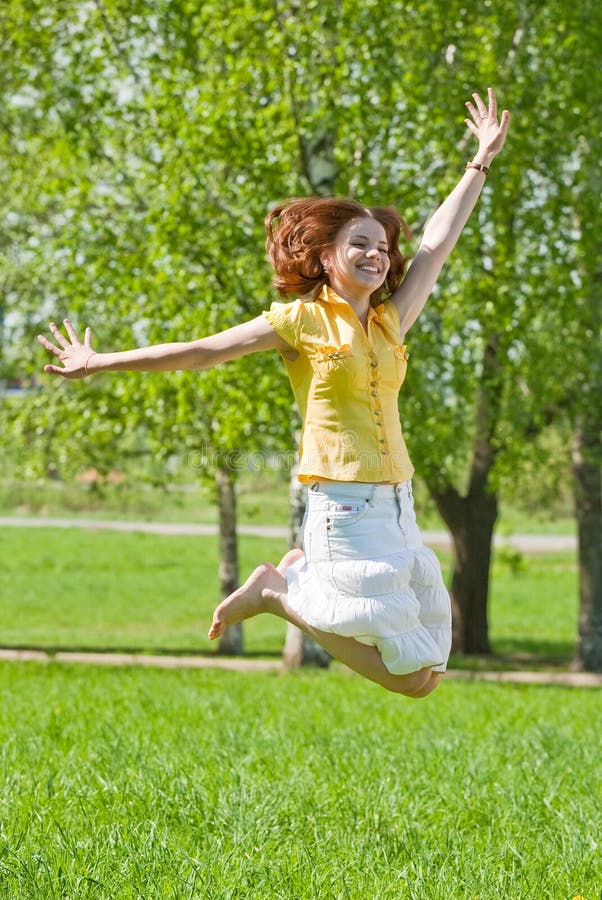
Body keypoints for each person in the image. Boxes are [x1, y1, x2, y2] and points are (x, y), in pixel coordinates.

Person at [39, 88, 510, 698]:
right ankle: (277, 594)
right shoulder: (298, 320)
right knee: (412, 681)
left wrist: (480, 160)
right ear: (325, 257)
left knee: (429, 671)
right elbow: (203, 351)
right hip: (344, 508)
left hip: (398, 504)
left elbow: (437, 244)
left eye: (381, 247)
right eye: (359, 244)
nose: (376, 254)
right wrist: (99, 362)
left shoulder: (392, 319)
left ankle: (288, 578)